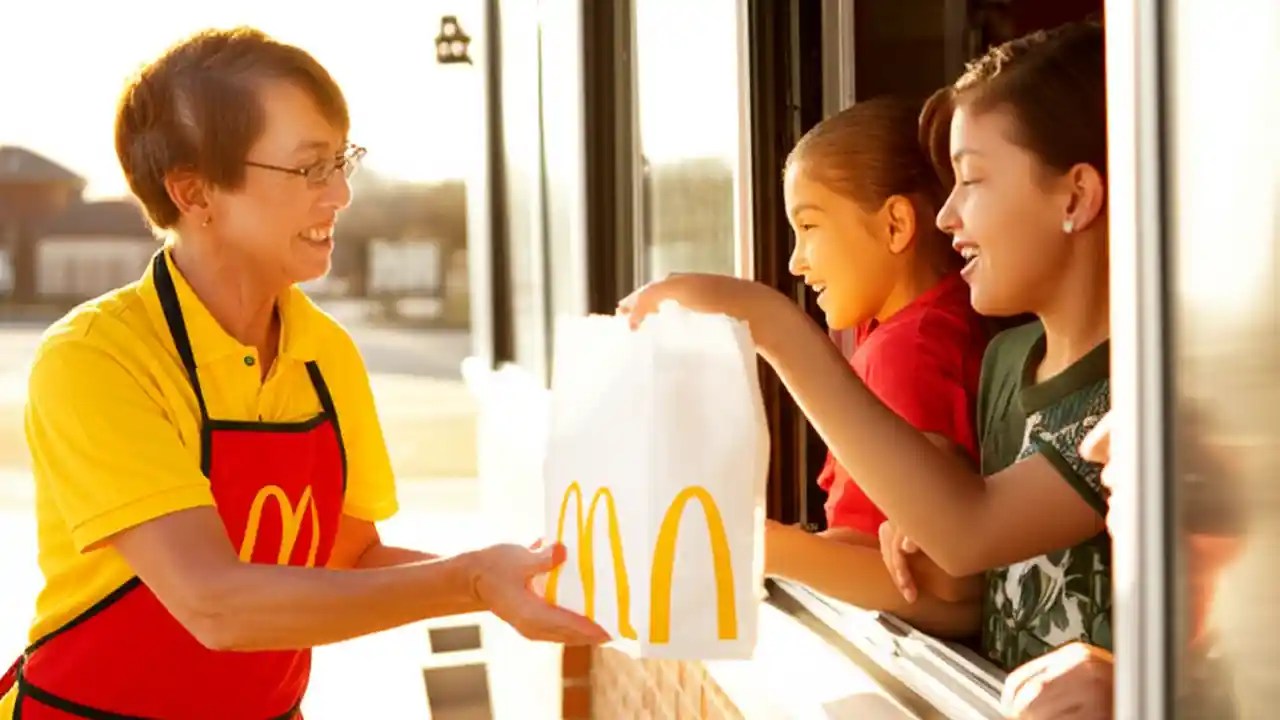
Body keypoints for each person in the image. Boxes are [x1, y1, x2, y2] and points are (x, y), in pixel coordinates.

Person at [0, 28, 604, 720]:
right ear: (196, 194)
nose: (342, 192)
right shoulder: (96, 358)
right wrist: (468, 582)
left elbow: (345, 563)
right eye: (311, 167)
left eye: (341, 160)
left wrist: (524, 578)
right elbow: (214, 605)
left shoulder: (326, 354)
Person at [622, 20, 1112, 673]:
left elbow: (970, 532)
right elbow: (967, 592)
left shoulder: (1134, 393)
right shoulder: (1003, 363)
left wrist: (769, 323)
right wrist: (926, 535)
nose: (947, 215)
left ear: (1075, 195)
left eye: (972, 180)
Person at [758, 95, 990, 637]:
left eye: (809, 227)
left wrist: (757, 545)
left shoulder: (906, 350)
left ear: (894, 225)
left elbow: (922, 583)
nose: (795, 261)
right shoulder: (914, 328)